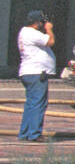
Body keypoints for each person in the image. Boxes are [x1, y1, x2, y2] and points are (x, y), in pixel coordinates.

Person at [17, 10, 55, 141]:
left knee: (31, 104)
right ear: (37, 22)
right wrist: (49, 29)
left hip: (29, 72)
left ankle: (25, 133)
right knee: (38, 103)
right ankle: (34, 134)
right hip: (36, 72)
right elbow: (50, 41)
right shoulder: (32, 33)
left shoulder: (24, 32)